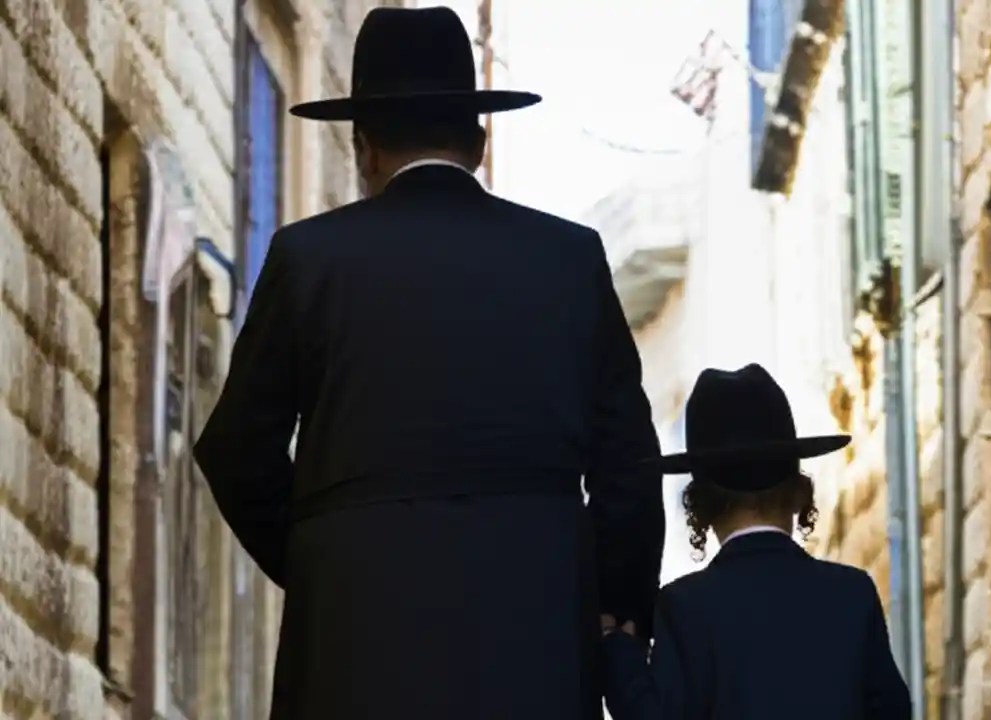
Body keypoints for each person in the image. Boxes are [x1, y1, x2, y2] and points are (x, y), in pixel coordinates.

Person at [193, 7, 664, 718]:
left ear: (363, 148)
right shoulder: (568, 259)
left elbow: (235, 451)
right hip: (536, 634)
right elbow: (628, 466)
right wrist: (603, 609)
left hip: (355, 640)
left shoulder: (308, 260)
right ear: (478, 143)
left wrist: (322, 560)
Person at [600, 364, 912, 719]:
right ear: (800, 495)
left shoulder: (684, 608)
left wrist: (618, 654)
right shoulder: (853, 594)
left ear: (700, 508)